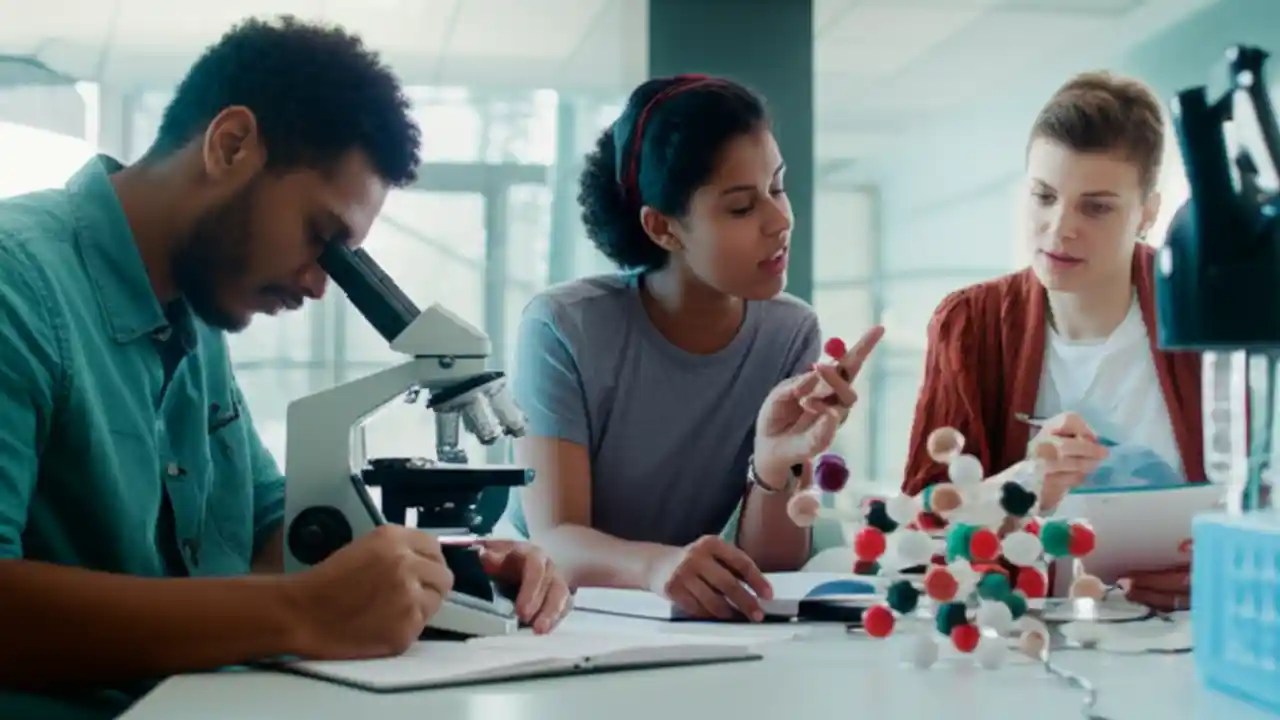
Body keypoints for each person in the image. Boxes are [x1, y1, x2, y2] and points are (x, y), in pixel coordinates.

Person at [0, 17, 569, 719]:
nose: (319, 283)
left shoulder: (189, 317)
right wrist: (300, 612)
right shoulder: (16, 284)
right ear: (231, 145)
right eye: (320, 237)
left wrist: (449, 576)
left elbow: (277, 529)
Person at [509, 73, 884, 622]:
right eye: (740, 207)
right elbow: (555, 541)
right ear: (663, 228)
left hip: (690, 623)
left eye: (777, 187)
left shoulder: (790, 332)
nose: (780, 221)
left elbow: (769, 570)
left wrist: (774, 462)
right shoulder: (564, 327)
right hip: (549, 616)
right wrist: (656, 568)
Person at [901, 70, 1202, 612]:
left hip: (1184, 645)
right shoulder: (969, 324)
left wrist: (1228, 571)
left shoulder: (1211, 321)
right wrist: (1017, 485)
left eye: (1096, 207)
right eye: (1043, 196)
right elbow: (914, 535)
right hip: (1021, 643)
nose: (1059, 228)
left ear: (1148, 213)